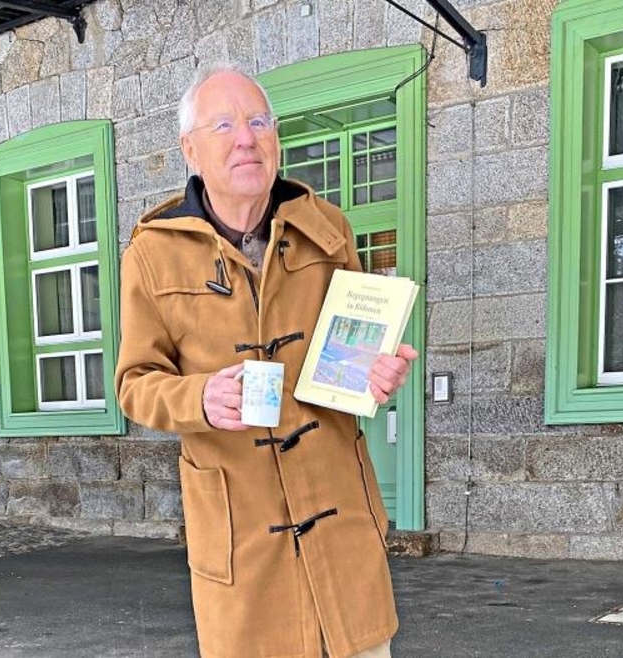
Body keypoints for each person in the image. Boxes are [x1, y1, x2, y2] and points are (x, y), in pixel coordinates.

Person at [114, 64, 418, 658]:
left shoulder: (326, 227)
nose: (246, 138)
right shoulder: (151, 254)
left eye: (258, 121)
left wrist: (379, 375)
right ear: (191, 149)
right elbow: (134, 384)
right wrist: (197, 398)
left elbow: (356, 353)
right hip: (242, 539)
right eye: (223, 124)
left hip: (341, 523)